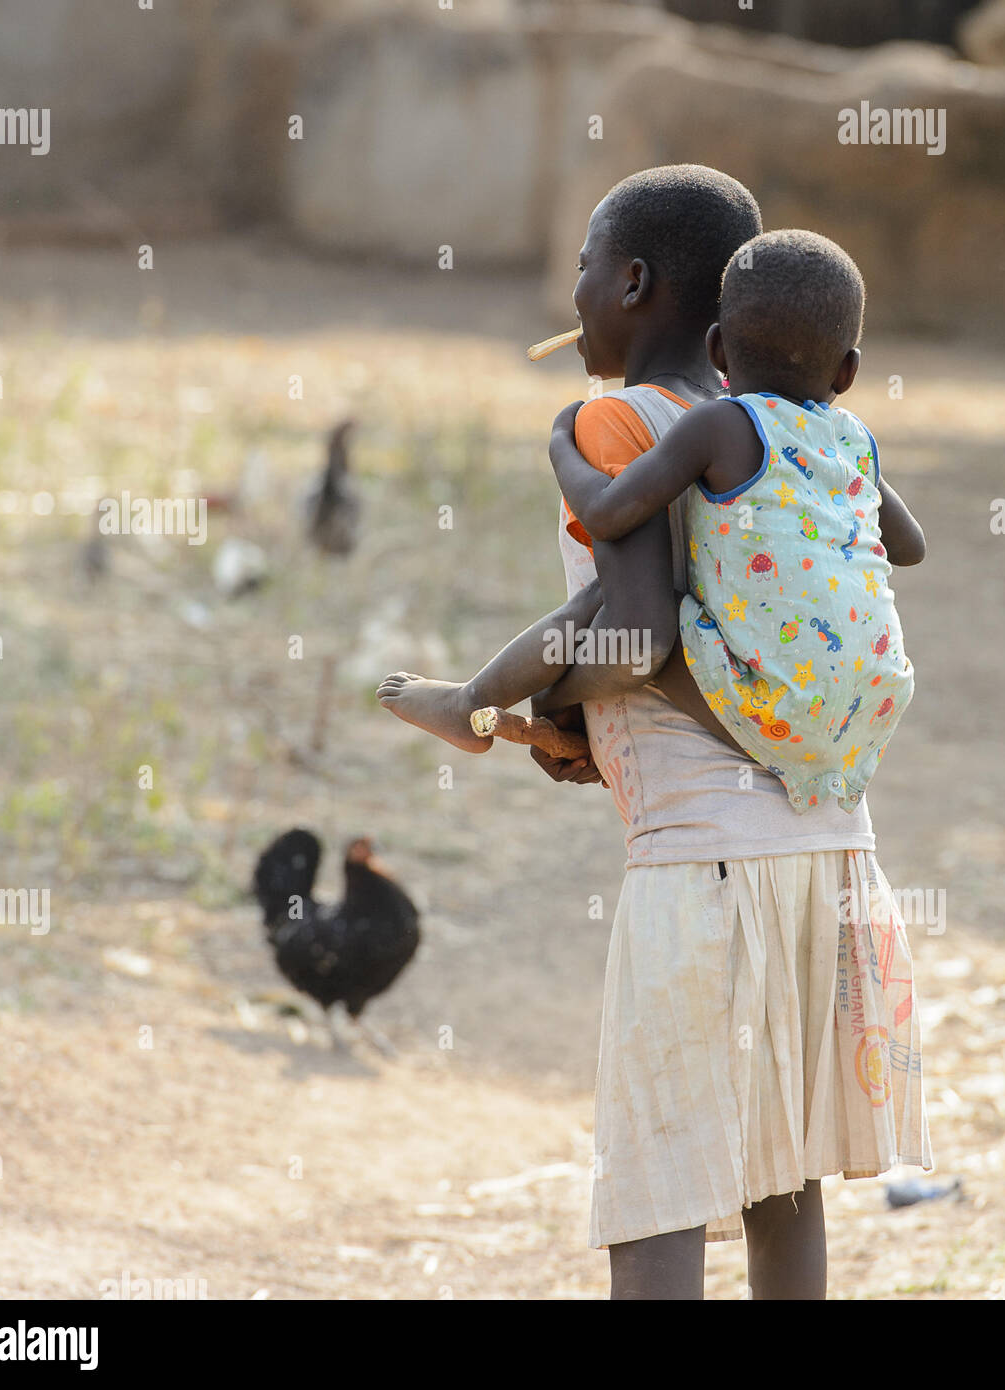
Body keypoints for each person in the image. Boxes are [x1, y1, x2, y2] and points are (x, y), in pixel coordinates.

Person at [378, 166, 931, 1299]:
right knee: (786, 1177)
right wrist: (571, 728)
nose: (574, 291)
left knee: (659, 1188)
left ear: (631, 281)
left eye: (585, 266)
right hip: (830, 842)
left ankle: (470, 702)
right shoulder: (804, 428)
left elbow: (633, 636)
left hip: (705, 856)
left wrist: (541, 704)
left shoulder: (617, 423)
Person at [546, 228, 924, 814]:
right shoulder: (854, 440)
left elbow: (606, 513)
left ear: (719, 349)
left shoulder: (716, 424)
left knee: (628, 616)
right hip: (874, 706)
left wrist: (560, 441)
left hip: (773, 710)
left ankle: (523, 697)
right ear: (848, 372)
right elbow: (912, 547)